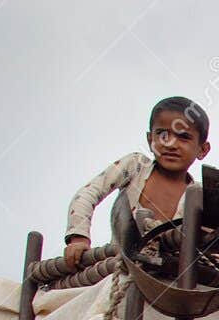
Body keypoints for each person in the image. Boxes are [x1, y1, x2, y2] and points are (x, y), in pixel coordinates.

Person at [63, 97, 211, 269]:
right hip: (120, 268)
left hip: (171, 276)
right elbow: (87, 194)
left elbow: (210, 236)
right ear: (150, 140)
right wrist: (79, 238)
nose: (171, 144)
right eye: (162, 135)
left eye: (183, 137)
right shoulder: (135, 166)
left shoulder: (199, 195)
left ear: (202, 149)